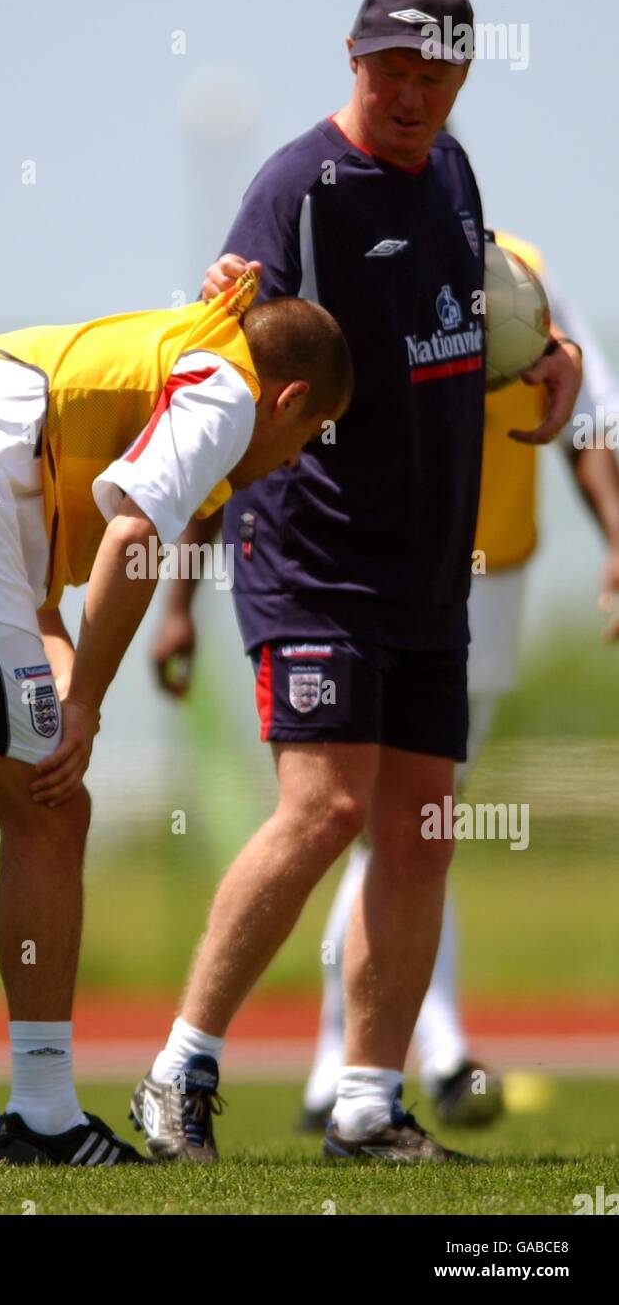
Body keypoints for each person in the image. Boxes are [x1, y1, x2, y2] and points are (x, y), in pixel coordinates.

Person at [130, 0, 581, 1165]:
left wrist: (553, 356)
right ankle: (178, 1072)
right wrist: (179, 593)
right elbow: (217, 379)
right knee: (322, 810)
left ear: (461, 76)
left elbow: (471, 324)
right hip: (313, 556)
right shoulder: (294, 190)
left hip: (431, 571)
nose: (410, 94)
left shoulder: (454, 174)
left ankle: (370, 1105)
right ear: (351, 55)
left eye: (433, 75)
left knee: (419, 828)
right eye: (391, 70)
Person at [0, 272, 352, 1166]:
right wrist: (83, 709)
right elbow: (133, 539)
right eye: (308, 437)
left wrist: (67, 692)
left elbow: (34, 611)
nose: (293, 463)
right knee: (50, 806)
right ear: (293, 398)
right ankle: (44, 1116)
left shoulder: (114, 390)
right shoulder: (230, 386)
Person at [298, 235, 619, 1131]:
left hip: (492, 573)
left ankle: (340, 1061)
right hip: (378, 567)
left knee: (412, 818)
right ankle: (434, 1052)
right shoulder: (345, 258)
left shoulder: (520, 274)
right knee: (386, 816)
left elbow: (587, 412)